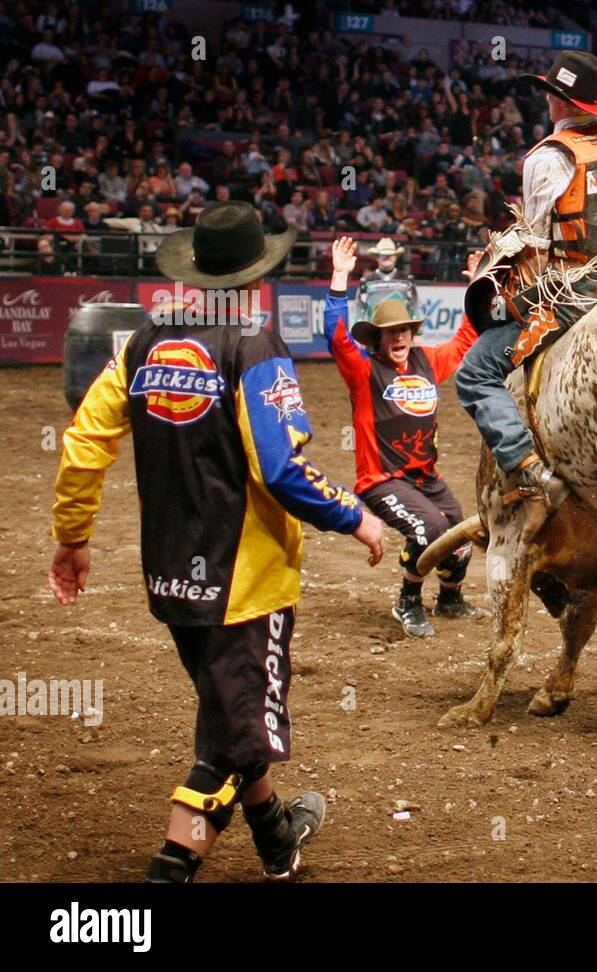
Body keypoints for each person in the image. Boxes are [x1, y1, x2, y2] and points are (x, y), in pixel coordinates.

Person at [48, 201, 386, 883]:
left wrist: (73, 537)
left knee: (233, 723)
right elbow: (281, 467)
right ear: (258, 276)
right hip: (245, 585)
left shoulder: (142, 343)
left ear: (196, 272)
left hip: (171, 579)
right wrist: (355, 516)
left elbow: (84, 443)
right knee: (226, 744)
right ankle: (168, 873)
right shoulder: (254, 347)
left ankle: (276, 839)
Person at [456, 51, 597, 510]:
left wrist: (494, 280)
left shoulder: (549, 158)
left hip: (570, 292)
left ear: (557, 99)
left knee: (475, 374)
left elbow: (537, 240)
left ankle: (527, 468)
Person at [327, 236, 485, 636]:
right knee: (430, 528)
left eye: (405, 331)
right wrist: (339, 278)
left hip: (425, 478)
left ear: (413, 333)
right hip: (383, 481)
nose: (399, 338)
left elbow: (466, 338)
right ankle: (407, 602)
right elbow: (336, 336)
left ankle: (450, 598)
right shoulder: (364, 371)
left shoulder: (427, 361)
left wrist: (477, 286)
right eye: (390, 332)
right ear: (377, 338)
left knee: (461, 534)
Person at [357, 237, 419, 318]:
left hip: (400, 328)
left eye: (390, 255)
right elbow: (359, 309)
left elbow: (415, 307)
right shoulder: (366, 281)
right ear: (377, 257)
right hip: (374, 328)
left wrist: (417, 329)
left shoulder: (407, 280)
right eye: (383, 255)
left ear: (395, 257)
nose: (387, 257)